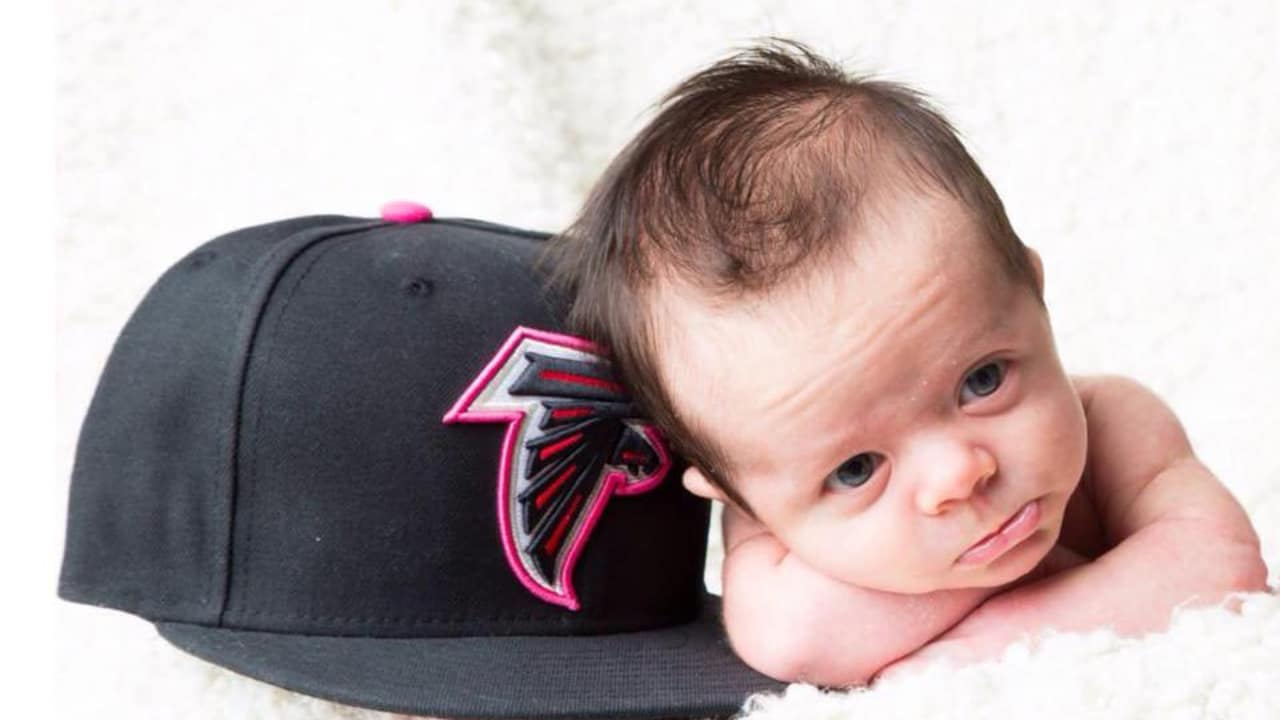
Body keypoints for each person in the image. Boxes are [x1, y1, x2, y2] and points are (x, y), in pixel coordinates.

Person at [542, 37, 1269, 686]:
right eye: (856, 469)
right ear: (739, 497)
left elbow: (1218, 568)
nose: (960, 474)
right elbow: (799, 636)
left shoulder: (1114, 422)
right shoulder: (775, 554)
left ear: (1033, 296)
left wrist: (972, 651)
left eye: (982, 380)